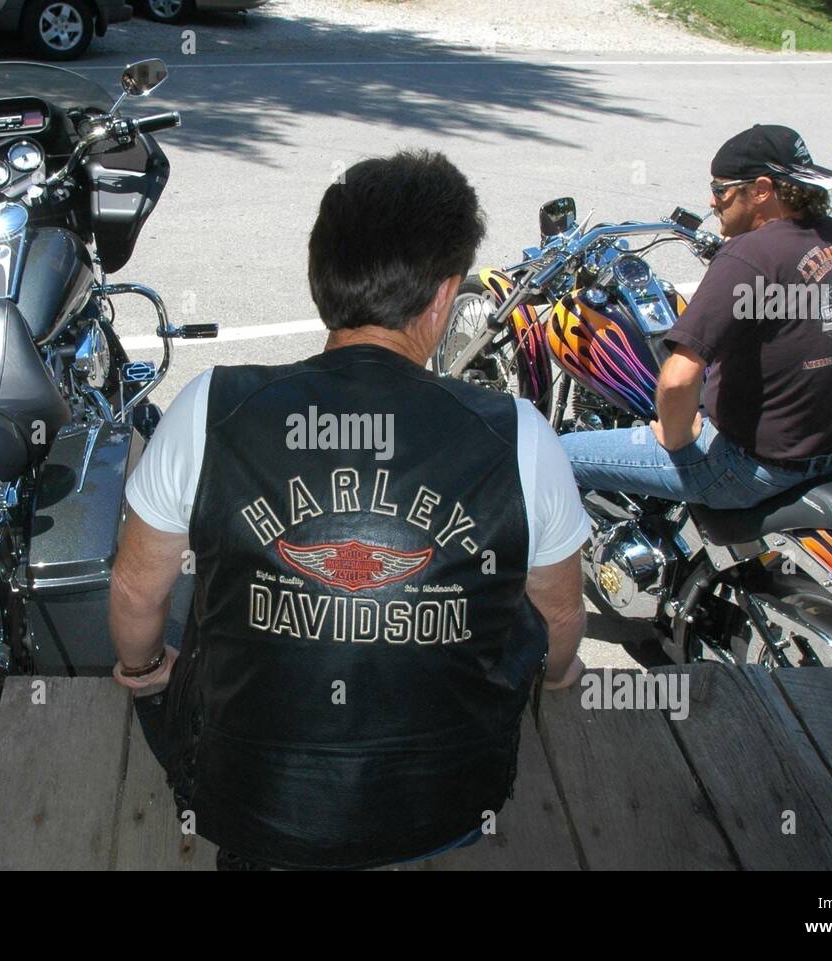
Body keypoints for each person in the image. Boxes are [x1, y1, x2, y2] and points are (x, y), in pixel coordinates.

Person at [108, 151, 589, 870]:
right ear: (443, 296)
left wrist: (145, 668)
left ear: (323, 280)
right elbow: (558, 620)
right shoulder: (518, 435)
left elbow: (135, 589)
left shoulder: (213, 406)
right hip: (447, 808)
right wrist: (557, 675)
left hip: (244, 799)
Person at [559, 124, 832, 510]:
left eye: (721, 189)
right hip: (829, 451)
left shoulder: (750, 255)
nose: (711, 201)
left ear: (761, 190)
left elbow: (677, 380)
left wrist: (675, 437)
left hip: (746, 467)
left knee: (556, 456)